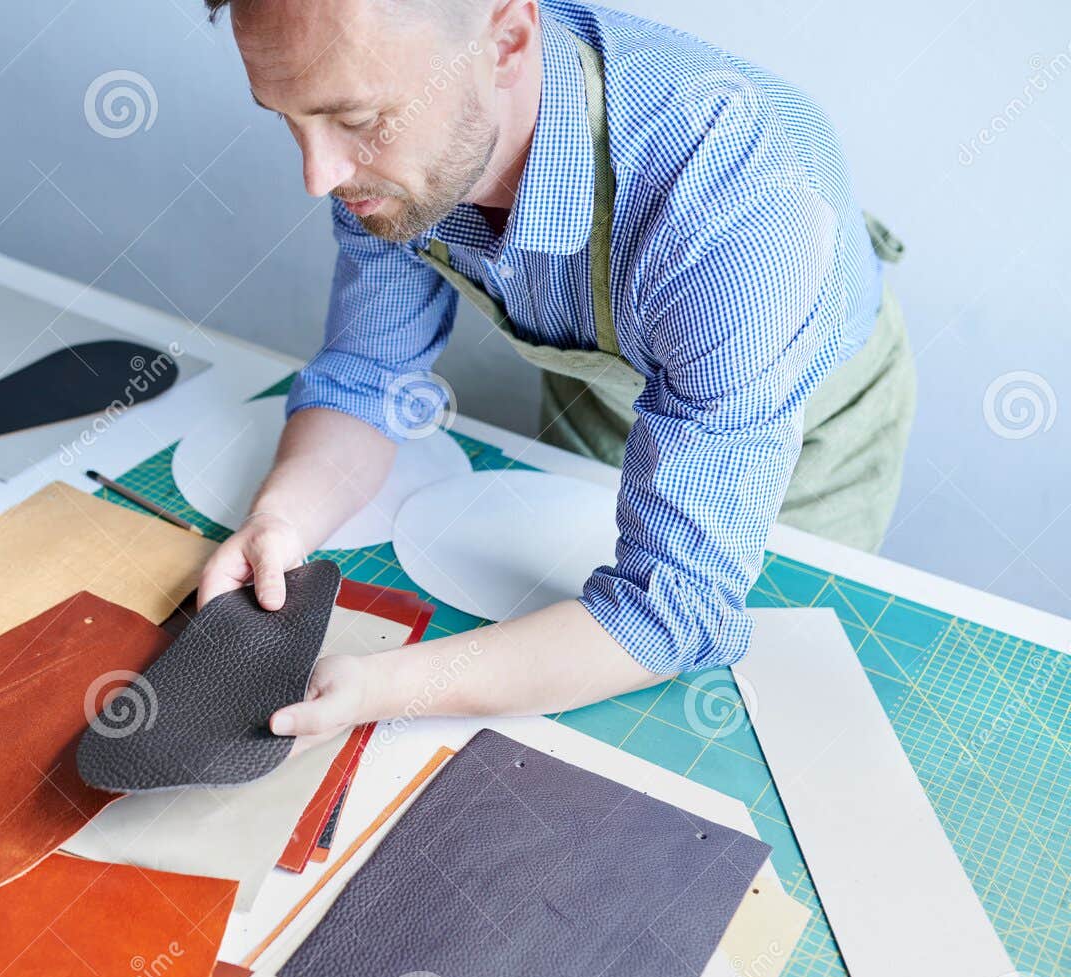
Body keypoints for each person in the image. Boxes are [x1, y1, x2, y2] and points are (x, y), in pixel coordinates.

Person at [194, 0, 916, 745]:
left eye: (357, 119)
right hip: (612, 384)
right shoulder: (385, 161)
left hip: (808, 426)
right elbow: (367, 378)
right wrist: (281, 520)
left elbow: (668, 609)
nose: (319, 175)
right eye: (290, 118)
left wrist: (388, 684)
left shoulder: (737, 215)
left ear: (506, 41)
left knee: (734, 712)